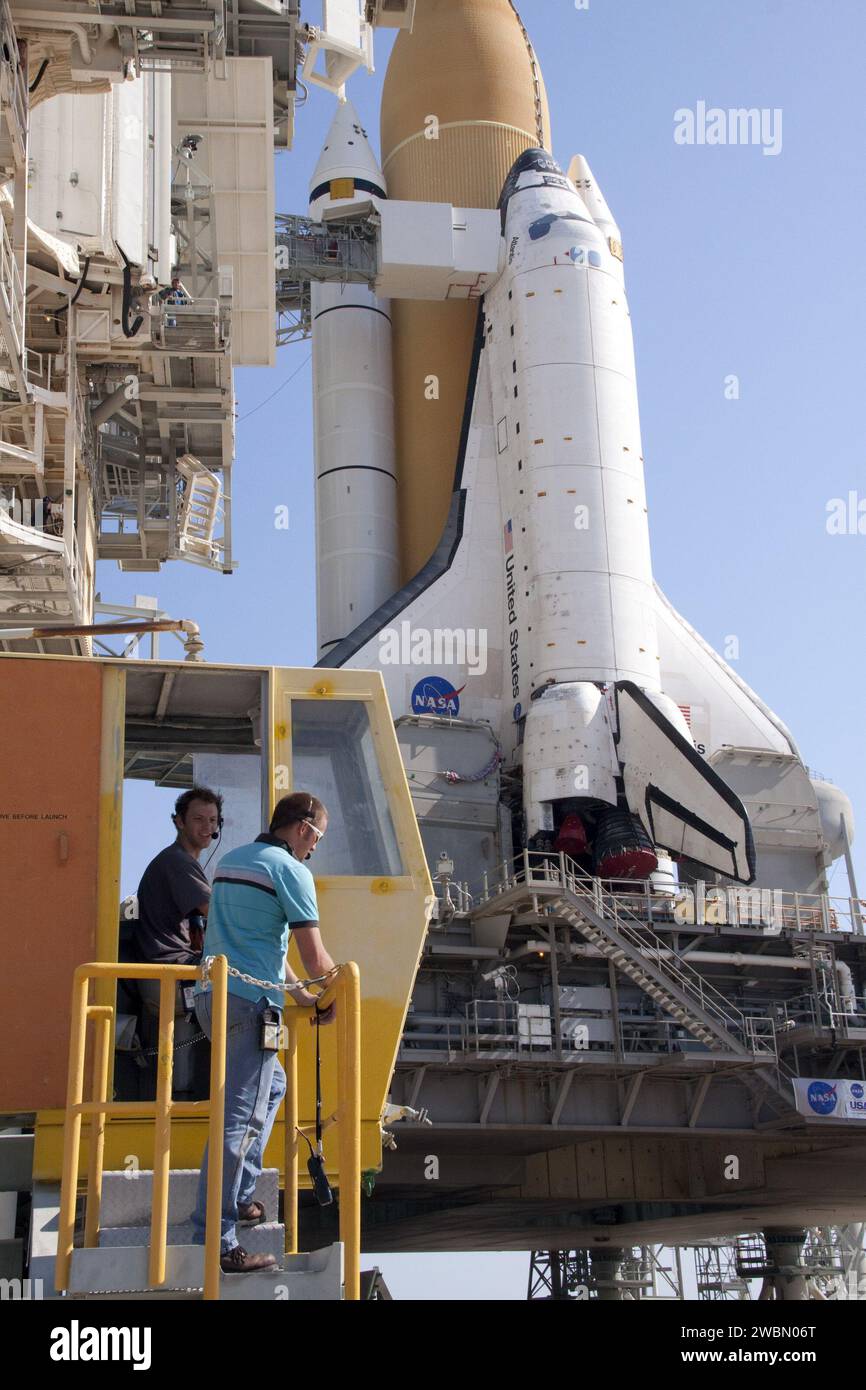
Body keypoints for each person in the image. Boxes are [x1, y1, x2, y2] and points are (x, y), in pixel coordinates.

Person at [190, 792, 337, 1274]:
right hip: (251, 1007)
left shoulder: (233, 860)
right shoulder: (292, 871)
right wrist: (338, 991)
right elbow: (316, 960)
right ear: (302, 828)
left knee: (272, 1087)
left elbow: (260, 951)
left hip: (214, 998)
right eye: (316, 837)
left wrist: (303, 998)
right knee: (239, 1121)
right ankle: (218, 1239)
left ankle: (244, 1193)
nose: (314, 848)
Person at [133, 787, 222, 1098]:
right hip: (169, 970)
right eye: (198, 819)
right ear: (178, 822)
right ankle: (187, 1097)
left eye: (212, 820)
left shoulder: (183, 861)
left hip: (171, 967)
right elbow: (219, 916)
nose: (207, 827)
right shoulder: (178, 862)